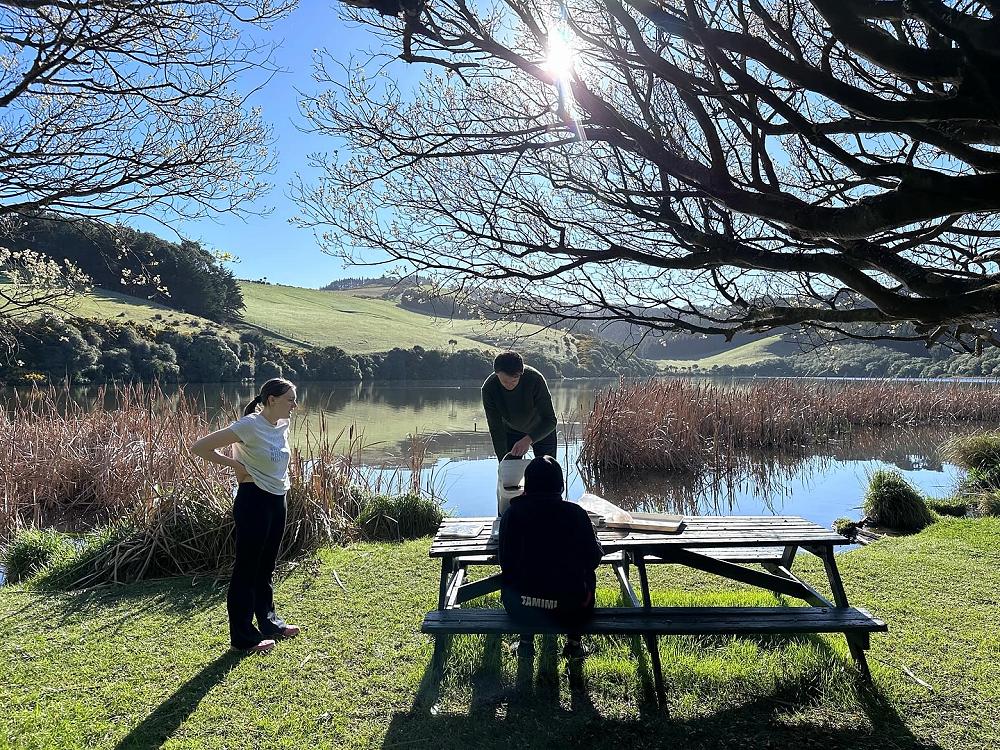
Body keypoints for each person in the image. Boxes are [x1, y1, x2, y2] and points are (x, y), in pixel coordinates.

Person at [190, 378, 301, 654]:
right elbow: (200, 447)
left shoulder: (281, 425)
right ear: (272, 400)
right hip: (253, 500)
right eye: (290, 399)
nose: (294, 405)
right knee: (246, 570)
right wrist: (237, 466)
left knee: (266, 567)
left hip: (278, 500)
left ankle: (269, 622)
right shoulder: (249, 425)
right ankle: (243, 637)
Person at [498, 456, 604, 660]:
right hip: (571, 609)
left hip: (519, 607)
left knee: (523, 577)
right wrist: (595, 539)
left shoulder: (512, 514)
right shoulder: (576, 514)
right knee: (584, 576)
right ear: (561, 486)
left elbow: (506, 562)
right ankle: (573, 645)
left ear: (526, 485)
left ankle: (526, 644)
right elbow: (593, 560)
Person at [482, 351, 557, 461]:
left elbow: (551, 421)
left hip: (542, 429)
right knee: (509, 472)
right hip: (511, 431)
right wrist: (503, 462)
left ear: (521, 374)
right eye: (504, 381)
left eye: (514, 381)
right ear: (496, 373)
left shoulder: (535, 379)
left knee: (546, 473)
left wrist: (528, 439)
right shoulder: (489, 388)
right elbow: (496, 429)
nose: (509, 385)